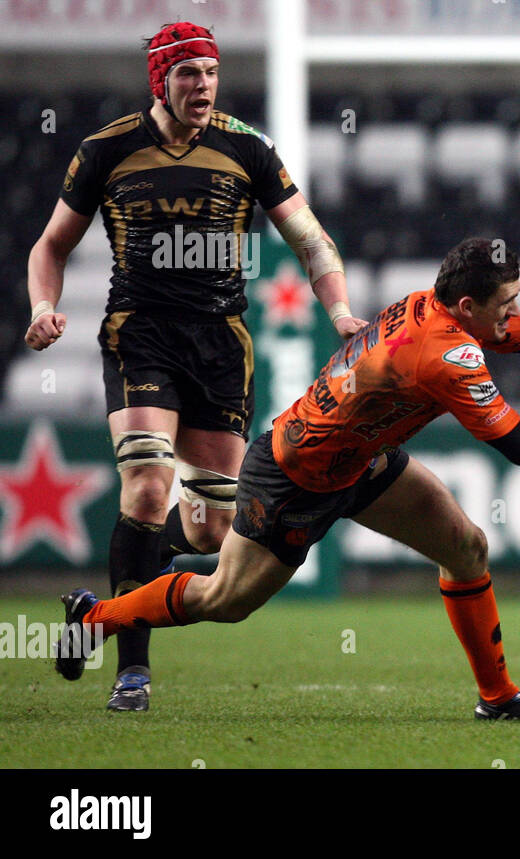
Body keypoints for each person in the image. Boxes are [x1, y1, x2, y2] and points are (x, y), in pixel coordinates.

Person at [56, 237, 520, 721]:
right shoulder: (449, 357)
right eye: (506, 304)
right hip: (295, 476)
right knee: (224, 600)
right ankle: (95, 617)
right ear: (467, 307)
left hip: (361, 459)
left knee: (467, 547)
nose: (513, 315)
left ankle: (498, 697)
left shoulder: (433, 306)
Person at [25, 22, 367, 711]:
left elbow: (311, 239)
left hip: (220, 346)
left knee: (213, 530)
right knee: (148, 489)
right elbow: (50, 245)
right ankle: (134, 672)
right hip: (140, 337)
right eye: (187, 73)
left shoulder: (247, 148)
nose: (202, 85)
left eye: (210, 72)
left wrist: (342, 315)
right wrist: (43, 304)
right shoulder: (106, 149)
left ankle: (96, 612)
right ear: (160, 80)